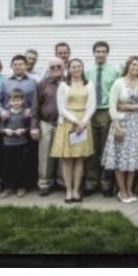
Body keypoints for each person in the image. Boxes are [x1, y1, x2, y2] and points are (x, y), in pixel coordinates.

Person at [104, 55, 138, 204]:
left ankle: (129, 189)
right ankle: (122, 190)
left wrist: (129, 107)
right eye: (133, 65)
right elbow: (112, 106)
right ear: (128, 66)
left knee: (132, 159)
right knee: (120, 158)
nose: (135, 68)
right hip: (122, 123)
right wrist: (117, 127)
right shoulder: (118, 83)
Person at [52, 58, 96, 204]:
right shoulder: (63, 85)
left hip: (84, 122)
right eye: (73, 67)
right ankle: (68, 190)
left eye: (79, 67)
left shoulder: (89, 85)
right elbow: (61, 108)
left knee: (79, 158)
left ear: (82, 69)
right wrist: (76, 121)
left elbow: (92, 105)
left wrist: (83, 121)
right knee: (67, 159)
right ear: (69, 69)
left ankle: (77, 190)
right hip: (68, 123)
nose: (76, 69)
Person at [85, 41, 119, 196]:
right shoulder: (87, 71)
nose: (100, 54)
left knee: (106, 149)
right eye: (97, 51)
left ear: (107, 53)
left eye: (103, 51)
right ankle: (91, 182)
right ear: (94, 53)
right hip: (90, 113)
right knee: (91, 149)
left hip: (106, 111)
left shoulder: (114, 71)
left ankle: (106, 183)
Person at [31, 57, 65, 196]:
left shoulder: (69, 82)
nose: (56, 69)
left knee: (64, 156)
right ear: (48, 69)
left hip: (64, 125)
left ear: (64, 67)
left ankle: (62, 182)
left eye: (59, 66)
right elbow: (35, 107)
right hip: (46, 124)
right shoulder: (42, 84)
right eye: (53, 67)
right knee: (45, 156)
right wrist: (34, 127)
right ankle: (44, 183)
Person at [0, 88, 35, 197]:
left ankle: (21, 187)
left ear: (23, 100)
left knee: (21, 166)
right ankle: (8, 187)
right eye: (13, 101)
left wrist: (24, 130)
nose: (16, 103)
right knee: (8, 166)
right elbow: (0, 128)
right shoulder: (6, 113)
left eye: (18, 100)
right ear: (9, 101)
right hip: (8, 143)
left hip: (21, 143)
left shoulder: (25, 113)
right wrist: (6, 130)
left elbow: (29, 127)